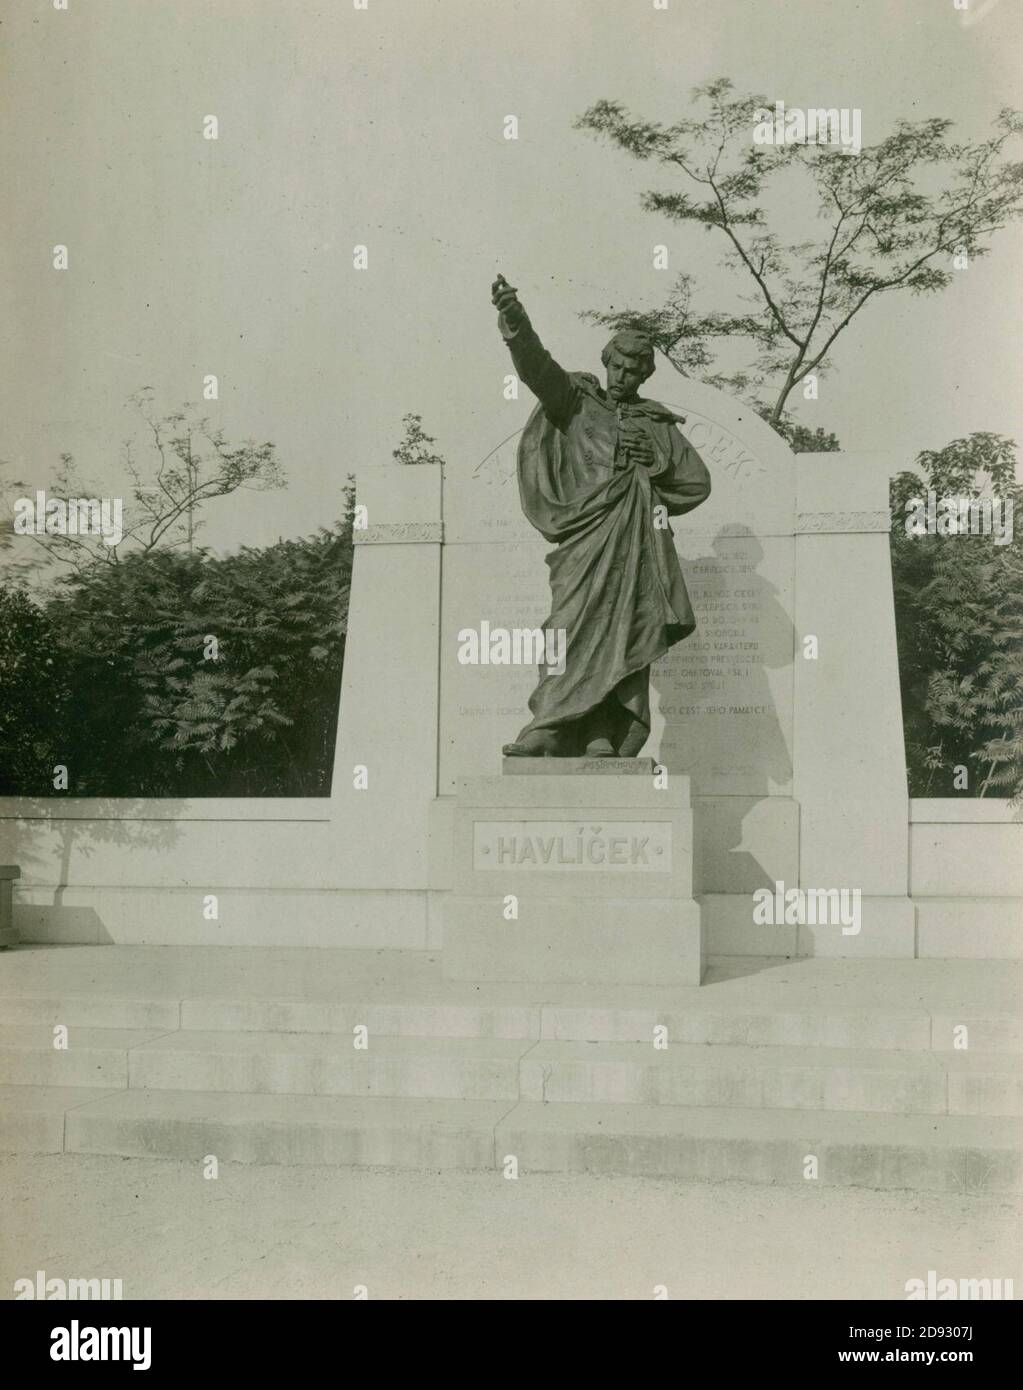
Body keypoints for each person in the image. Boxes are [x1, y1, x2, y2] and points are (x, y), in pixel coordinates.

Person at [492, 274, 712, 757]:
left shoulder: (655, 421)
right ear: (606, 362)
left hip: (633, 542)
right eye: (617, 366)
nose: (623, 377)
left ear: (644, 375)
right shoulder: (576, 401)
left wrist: (656, 463)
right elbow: (536, 368)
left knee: (626, 631)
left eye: (633, 371)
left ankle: (601, 733)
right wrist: (515, 322)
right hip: (583, 538)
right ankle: (549, 725)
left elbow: (697, 483)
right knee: (568, 625)